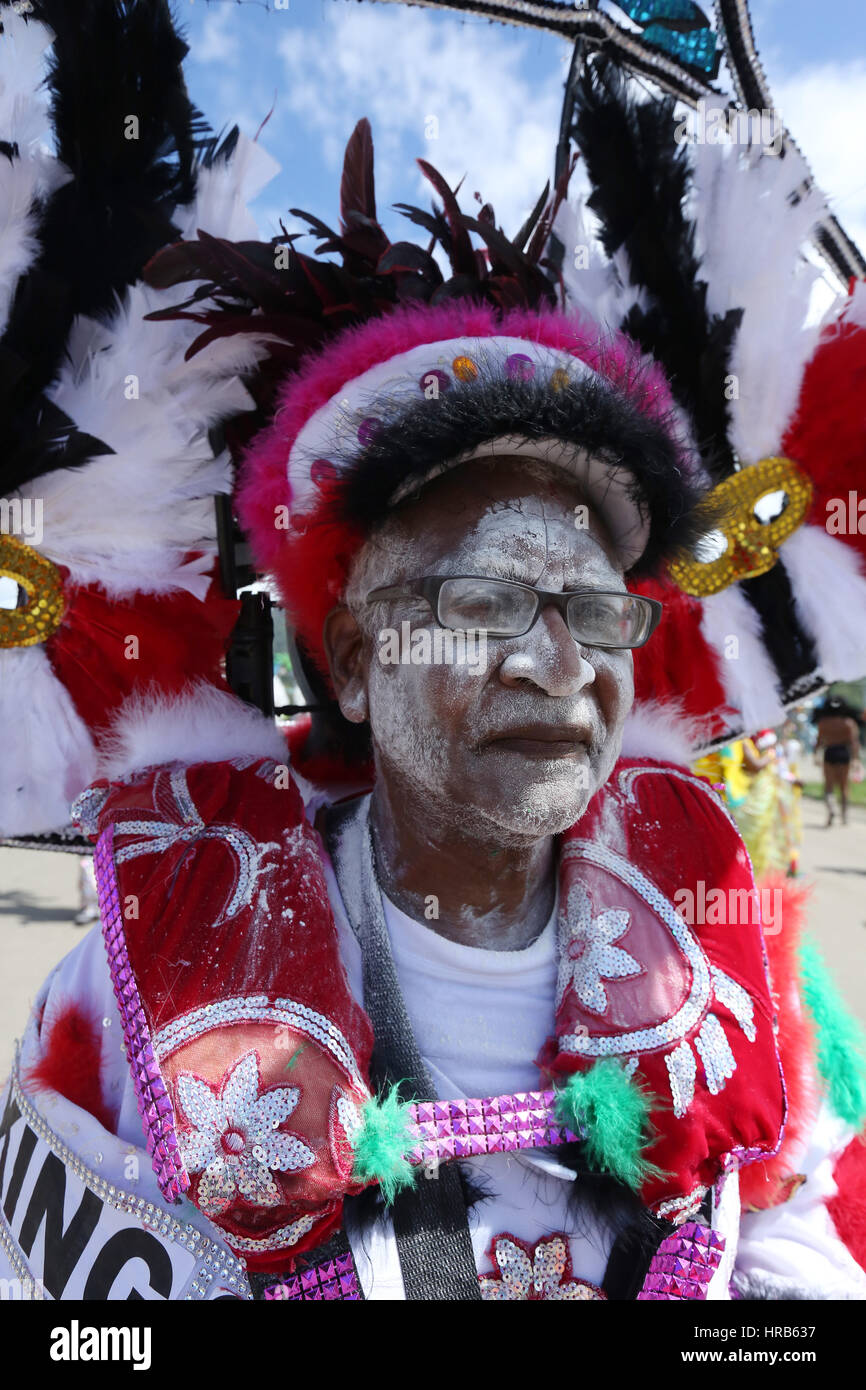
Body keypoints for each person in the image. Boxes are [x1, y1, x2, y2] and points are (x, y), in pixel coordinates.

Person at [814, 697, 863, 826]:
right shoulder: (848, 723)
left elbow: (819, 741)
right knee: (844, 786)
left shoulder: (823, 723)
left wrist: (816, 755)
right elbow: (854, 742)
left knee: (828, 786)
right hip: (843, 753)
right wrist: (855, 759)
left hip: (829, 752)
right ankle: (844, 815)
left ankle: (832, 809)